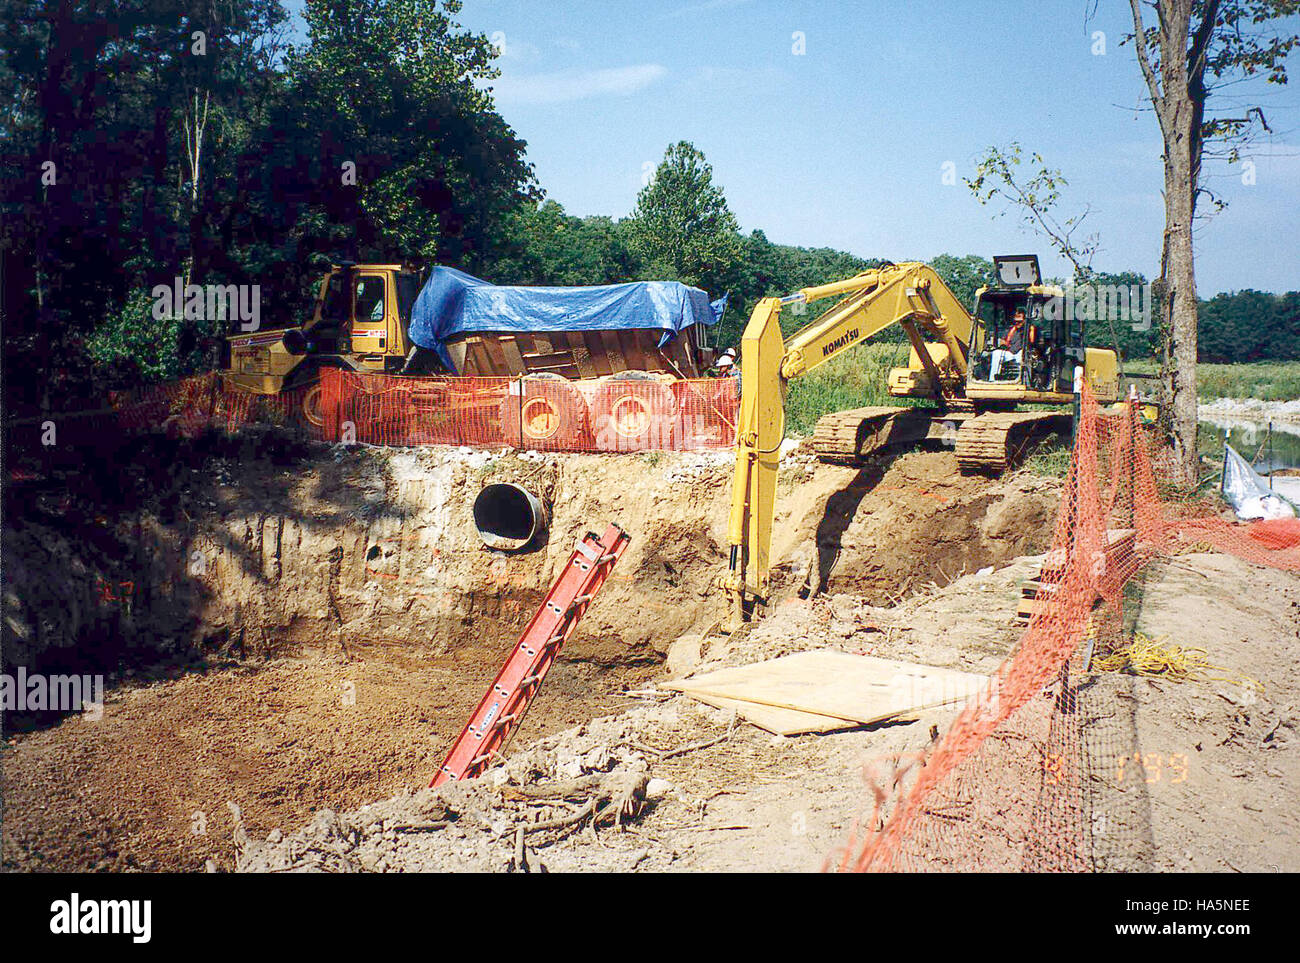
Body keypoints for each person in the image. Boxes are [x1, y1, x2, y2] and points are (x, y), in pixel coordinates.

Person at [991, 307, 1026, 381]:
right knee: (996, 353)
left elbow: (1032, 341)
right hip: (1010, 352)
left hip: (1021, 353)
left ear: (1025, 320)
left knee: (1023, 355)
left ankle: (1021, 380)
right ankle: (993, 379)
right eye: (1016, 321)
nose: (1017, 323)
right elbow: (1003, 341)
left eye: (1019, 321)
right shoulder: (1011, 330)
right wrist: (1003, 344)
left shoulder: (1028, 330)